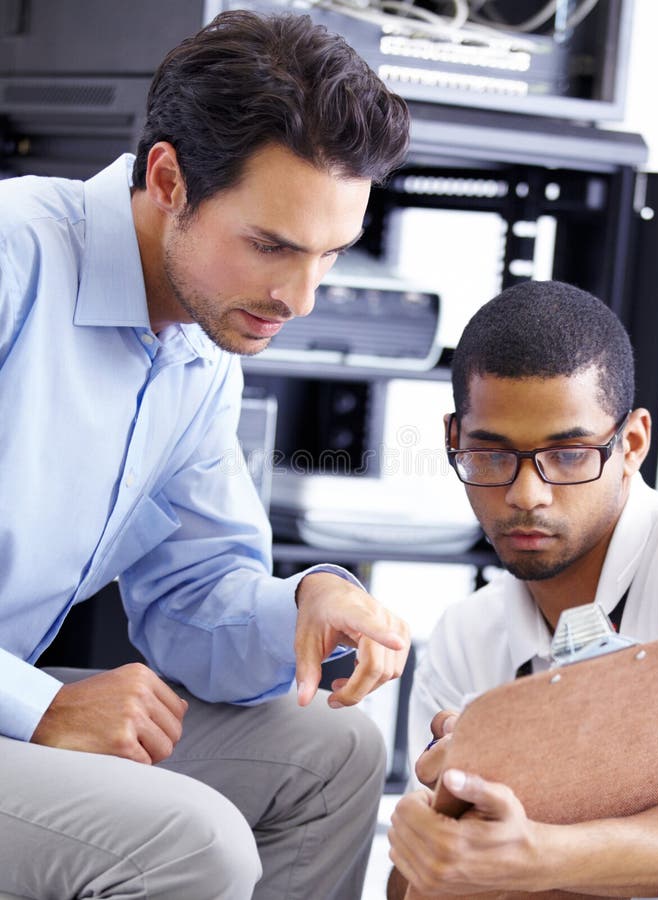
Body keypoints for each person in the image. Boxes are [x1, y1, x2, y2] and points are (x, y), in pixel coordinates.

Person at [0, 10, 412, 899]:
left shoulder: (198, 344)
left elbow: (193, 600)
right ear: (167, 178)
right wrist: (39, 708)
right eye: (270, 245)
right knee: (195, 842)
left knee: (334, 752)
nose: (299, 299)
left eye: (330, 256)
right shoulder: (11, 257)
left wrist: (307, 603)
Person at [387, 279, 658, 899]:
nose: (525, 495)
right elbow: (412, 889)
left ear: (632, 444)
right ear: (454, 441)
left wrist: (539, 855)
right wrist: (444, 831)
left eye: (567, 455)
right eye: (491, 455)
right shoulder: (465, 636)